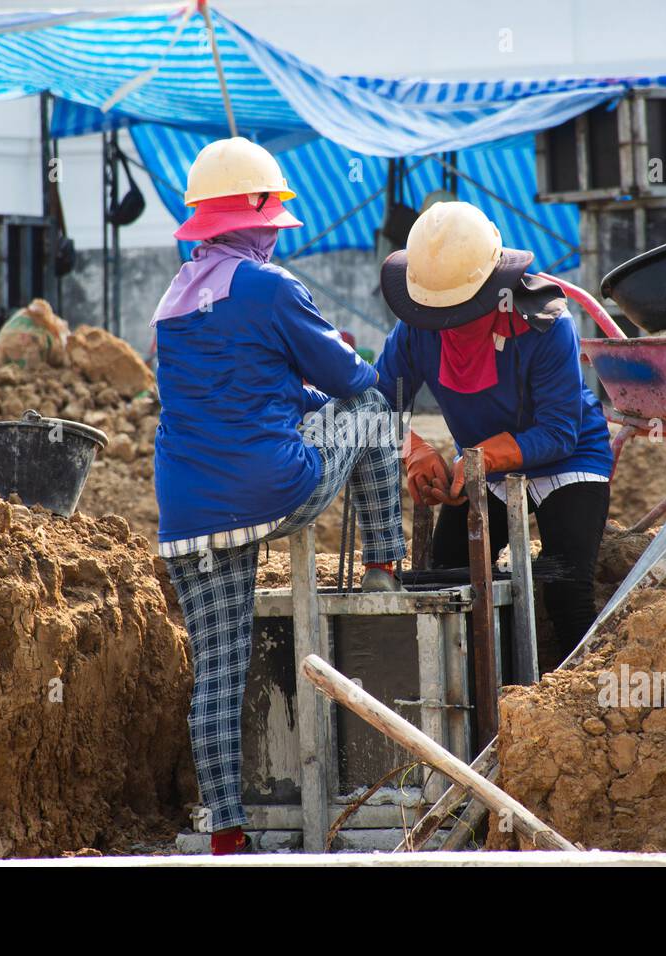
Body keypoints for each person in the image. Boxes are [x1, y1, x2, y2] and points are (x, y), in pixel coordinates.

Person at [152, 137, 406, 855]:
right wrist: (330, 385)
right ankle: (386, 563)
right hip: (274, 487)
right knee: (375, 411)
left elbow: (237, 384)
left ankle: (227, 832)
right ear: (256, 221)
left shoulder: (172, 302)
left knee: (218, 670)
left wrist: (293, 395)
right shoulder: (272, 287)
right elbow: (351, 379)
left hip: (188, 514)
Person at [374, 201, 612, 658]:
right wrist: (413, 450)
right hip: (483, 468)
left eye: (458, 310)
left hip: (569, 459)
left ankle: (579, 706)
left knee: (565, 588)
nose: (446, 323)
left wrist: (481, 458)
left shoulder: (546, 326)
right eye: (436, 311)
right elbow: (376, 407)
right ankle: (491, 696)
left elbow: (560, 431)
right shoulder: (415, 331)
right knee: (450, 577)